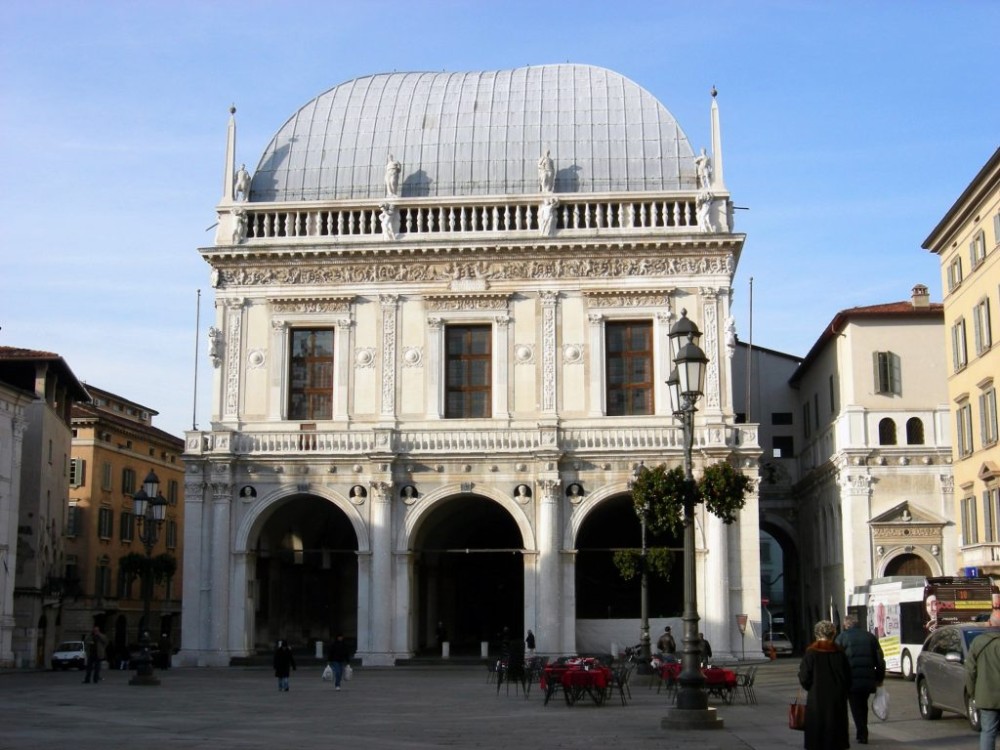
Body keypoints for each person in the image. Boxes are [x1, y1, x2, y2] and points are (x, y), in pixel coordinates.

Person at [798, 619, 852, 750]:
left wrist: (809, 686)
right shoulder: (839, 652)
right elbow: (848, 676)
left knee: (817, 731)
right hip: (837, 699)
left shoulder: (811, 652)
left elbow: (804, 677)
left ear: (817, 634)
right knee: (836, 729)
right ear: (833, 634)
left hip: (817, 698)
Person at [835, 614, 885, 744]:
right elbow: (880, 660)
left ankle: (862, 733)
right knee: (863, 705)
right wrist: (879, 678)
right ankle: (862, 731)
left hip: (850, 680)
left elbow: (836, 660)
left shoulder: (841, 638)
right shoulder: (870, 637)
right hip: (868, 679)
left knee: (856, 707)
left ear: (846, 625)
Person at [966, 610, 1000, 750]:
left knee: (988, 732)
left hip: (986, 696)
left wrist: (972, 692)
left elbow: (970, 671)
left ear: (989, 623)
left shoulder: (977, 642)